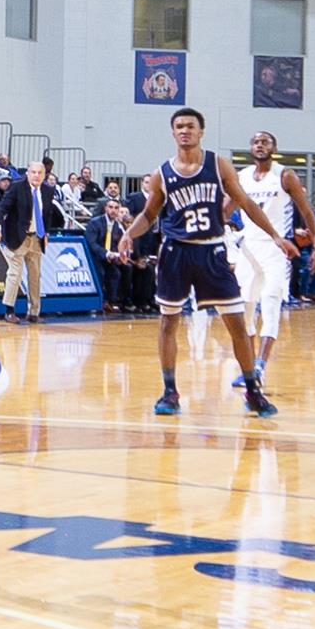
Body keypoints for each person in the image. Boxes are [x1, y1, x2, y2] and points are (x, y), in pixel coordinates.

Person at [114, 108, 280, 419]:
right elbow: (150, 216)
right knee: (168, 322)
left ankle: (253, 391)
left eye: (190, 126)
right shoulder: (163, 173)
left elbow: (244, 203)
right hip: (176, 252)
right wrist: (127, 235)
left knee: (237, 325)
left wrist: (275, 235)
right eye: (179, 126)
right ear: (173, 132)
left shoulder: (218, 165)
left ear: (201, 131)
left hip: (212, 251)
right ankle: (169, 390)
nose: (184, 131)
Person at [226, 131, 315, 389]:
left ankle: (260, 367)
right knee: (244, 309)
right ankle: (248, 368)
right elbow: (226, 208)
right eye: (255, 141)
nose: (259, 145)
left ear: (274, 148)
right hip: (248, 249)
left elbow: (306, 211)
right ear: (250, 147)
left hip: (277, 248)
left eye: (264, 142)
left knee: (270, 303)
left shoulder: (285, 175)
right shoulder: (241, 177)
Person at [0, 161, 62, 325]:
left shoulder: (48, 190)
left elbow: (47, 215)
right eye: (33, 172)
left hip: (36, 238)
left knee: (35, 276)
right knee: (14, 274)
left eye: (40, 173)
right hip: (17, 237)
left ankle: (34, 312)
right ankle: (9, 310)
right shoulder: (17, 187)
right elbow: (2, 208)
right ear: (27, 173)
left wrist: (46, 232)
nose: (36, 175)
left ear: (44, 175)